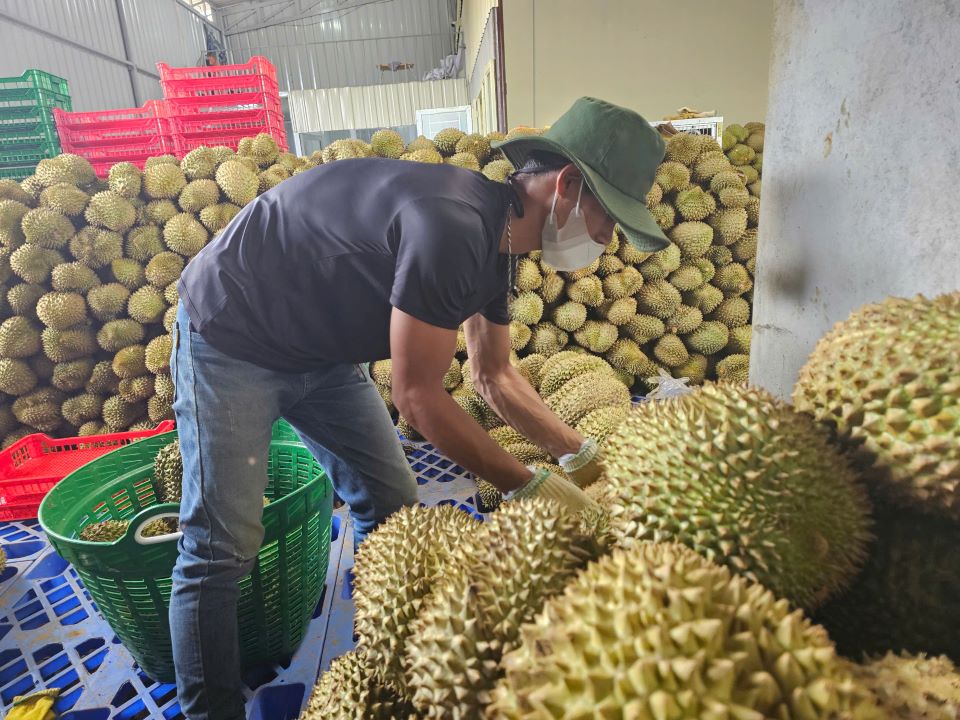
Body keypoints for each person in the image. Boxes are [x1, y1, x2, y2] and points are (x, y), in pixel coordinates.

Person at [168, 96, 669, 719]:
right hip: (232, 335)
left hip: (322, 354)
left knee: (393, 506)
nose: (606, 238)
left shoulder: (498, 245)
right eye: (609, 219)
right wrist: (526, 484)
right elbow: (417, 398)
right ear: (566, 186)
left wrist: (579, 455)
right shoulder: (454, 227)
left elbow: (494, 376)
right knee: (222, 546)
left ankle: (390, 664)